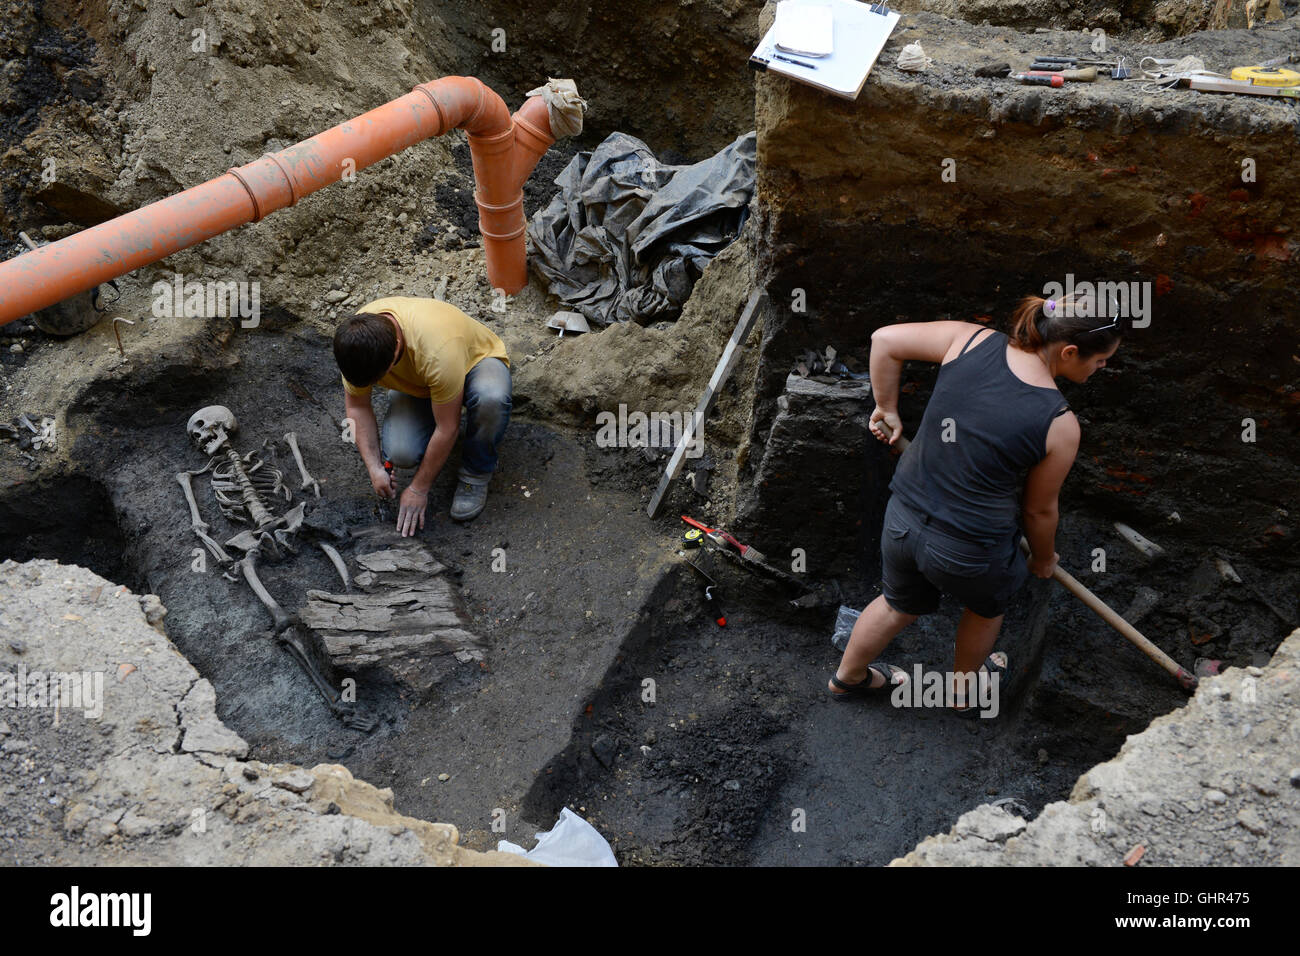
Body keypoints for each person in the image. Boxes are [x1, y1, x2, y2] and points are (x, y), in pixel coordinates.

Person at [828, 294, 1127, 714]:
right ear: (1070, 351)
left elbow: (884, 339)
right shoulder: (1059, 424)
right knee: (985, 610)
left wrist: (886, 408)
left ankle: (848, 678)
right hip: (970, 548)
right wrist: (1043, 558)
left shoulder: (968, 339)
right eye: (1101, 359)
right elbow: (1038, 510)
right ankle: (962, 694)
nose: (1103, 367)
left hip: (903, 518)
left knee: (897, 604)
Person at [333, 296, 511, 535]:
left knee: (491, 399)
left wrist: (418, 489)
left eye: (379, 379)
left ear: (396, 347)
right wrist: (375, 467)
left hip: (475, 362)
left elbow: (448, 427)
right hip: (422, 383)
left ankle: (476, 472)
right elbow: (357, 407)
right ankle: (435, 408)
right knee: (400, 452)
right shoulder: (356, 343)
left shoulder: (437, 351)